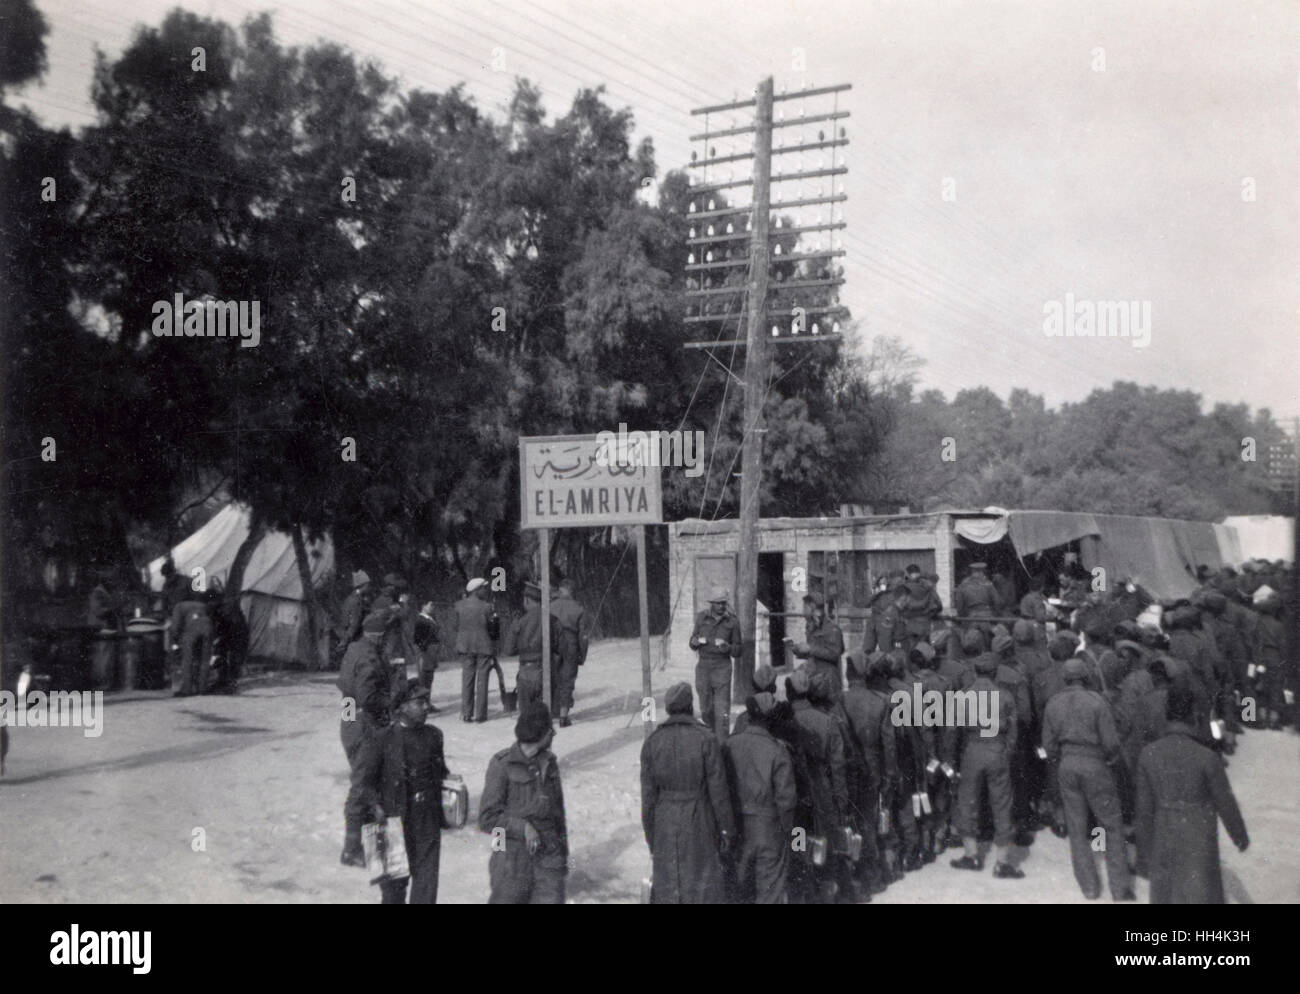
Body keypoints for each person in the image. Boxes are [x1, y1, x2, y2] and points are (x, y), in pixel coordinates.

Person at [1135, 684, 1249, 904]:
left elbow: (1144, 811)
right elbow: (1225, 801)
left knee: (1167, 892)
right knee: (1201, 891)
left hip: (1163, 830)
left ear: (1167, 713)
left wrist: (1143, 856)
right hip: (1199, 832)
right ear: (1192, 716)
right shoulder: (1206, 757)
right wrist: (1239, 835)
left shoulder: (1148, 754)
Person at [1042, 658, 1133, 901]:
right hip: (1095, 764)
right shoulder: (1097, 702)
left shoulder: (1053, 703)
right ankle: (1120, 888)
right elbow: (1111, 743)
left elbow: (1048, 746)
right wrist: (1110, 761)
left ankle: (1089, 888)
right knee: (1111, 825)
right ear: (1085, 677)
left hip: (1067, 765)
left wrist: (1062, 758)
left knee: (1077, 827)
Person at [640, 682, 736, 903]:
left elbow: (648, 798)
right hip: (699, 820)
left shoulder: (653, 742)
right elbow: (719, 791)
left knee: (670, 887)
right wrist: (726, 829)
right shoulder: (706, 738)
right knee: (701, 886)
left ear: (668, 708)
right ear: (690, 706)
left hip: (665, 822)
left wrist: (652, 835)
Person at [361, 679, 448, 903]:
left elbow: (440, 772)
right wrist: (375, 808)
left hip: (426, 821)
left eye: (427, 701)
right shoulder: (383, 739)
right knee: (393, 891)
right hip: (393, 822)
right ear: (402, 706)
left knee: (427, 888)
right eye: (420, 702)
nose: (426, 707)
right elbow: (365, 782)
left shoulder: (434, 736)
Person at [479, 702, 568, 904]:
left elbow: (558, 816)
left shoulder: (550, 764)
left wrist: (563, 860)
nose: (553, 734)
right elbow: (487, 818)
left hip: (549, 857)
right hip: (511, 857)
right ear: (540, 733)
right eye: (550, 730)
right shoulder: (502, 764)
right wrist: (523, 827)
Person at [950, 650, 1022, 878]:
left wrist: (953, 759)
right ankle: (1002, 862)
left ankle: (971, 855)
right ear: (994, 672)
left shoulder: (963, 695)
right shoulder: (1006, 695)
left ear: (975, 671)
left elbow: (952, 732)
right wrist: (1007, 753)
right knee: (1002, 803)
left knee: (967, 802)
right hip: (997, 749)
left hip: (972, 750)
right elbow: (1013, 732)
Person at [723, 692, 798, 903]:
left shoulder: (730, 744)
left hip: (737, 827)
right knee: (770, 891)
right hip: (769, 829)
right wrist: (789, 833)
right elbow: (786, 801)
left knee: (737, 889)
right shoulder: (778, 751)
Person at [337, 611, 393, 867]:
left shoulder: (353, 649)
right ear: (378, 635)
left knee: (369, 783)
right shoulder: (369, 656)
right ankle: (351, 849)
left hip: (349, 719)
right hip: (364, 725)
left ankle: (374, 844)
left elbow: (345, 686)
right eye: (384, 636)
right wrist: (393, 701)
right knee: (362, 785)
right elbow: (368, 697)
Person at [689, 587, 742, 741]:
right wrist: (693, 642)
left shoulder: (732, 621)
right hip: (703, 667)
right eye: (718, 603)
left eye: (724, 603)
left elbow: (739, 649)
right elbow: (693, 642)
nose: (721, 606)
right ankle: (711, 738)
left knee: (722, 711)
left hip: (722, 667)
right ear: (711, 603)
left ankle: (723, 745)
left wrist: (729, 648)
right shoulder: (701, 618)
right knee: (705, 709)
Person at [503, 582, 560, 712]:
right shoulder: (552, 619)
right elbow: (559, 646)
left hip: (526, 673)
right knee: (544, 716)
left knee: (526, 718)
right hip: (546, 672)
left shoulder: (520, 621)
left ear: (527, 600)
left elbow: (508, 650)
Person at [789, 592, 845, 701]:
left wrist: (810, 648)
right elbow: (814, 654)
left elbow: (834, 654)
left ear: (813, 607)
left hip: (829, 680)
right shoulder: (811, 627)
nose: (803, 611)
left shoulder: (832, 629)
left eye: (805, 607)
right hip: (814, 677)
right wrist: (799, 650)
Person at [454, 578, 496, 722]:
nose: (486, 590)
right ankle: (480, 714)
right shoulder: (486, 607)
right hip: (483, 646)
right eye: (484, 588)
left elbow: (456, 626)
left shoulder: (458, 605)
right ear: (477, 590)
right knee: (482, 680)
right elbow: (493, 629)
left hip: (464, 646)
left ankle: (466, 713)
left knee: (467, 679)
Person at [550, 579, 590, 727]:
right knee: (567, 681)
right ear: (572, 591)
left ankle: (551, 710)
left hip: (553, 645)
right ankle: (563, 716)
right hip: (571, 645)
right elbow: (583, 636)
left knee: (552, 677)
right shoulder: (579, 609)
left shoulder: (550, 607)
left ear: (561, 590)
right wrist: (582, 655)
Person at [169, 594, 212, 697]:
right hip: (208, 628)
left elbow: (175, 626)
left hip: (192, 630)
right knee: (204, 659)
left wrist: (174, 640)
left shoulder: (179, 606)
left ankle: (186, 690)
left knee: (187, 659)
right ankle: (203, 688)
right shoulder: (202, 605)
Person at [898, 564, 943, 652]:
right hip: (924, 624)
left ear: (908, 574)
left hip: (908, 624)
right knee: (924, 650)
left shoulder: (903, 588)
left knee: (909, 650)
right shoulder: (928, 587)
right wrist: (929, 614)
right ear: (919, 573)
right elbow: (938, 606)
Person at [953, 561, 1003, 629]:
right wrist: (996, 615)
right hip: (987, 617)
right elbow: (997, 601)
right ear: (982, 571)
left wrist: (963, 617)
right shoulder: (988, 584)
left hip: (970, 618)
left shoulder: (963, 585)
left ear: (972, 571)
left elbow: (959, 605)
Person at [412, 599, 441, 707]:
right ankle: (421, 705)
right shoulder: (421, 620)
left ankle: (427, 703)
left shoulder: (430, 619)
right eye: (430, 605)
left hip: (431, 653)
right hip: (425, 653)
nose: (433, 607)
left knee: (429, 679)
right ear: (423, 606)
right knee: (424, 679)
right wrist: (424, 652)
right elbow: (418, 639)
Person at [336, 570, 372, 655]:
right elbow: (354, 623)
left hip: (347, 633)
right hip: (351, 636)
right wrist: (345, 640)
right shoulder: (356, 601)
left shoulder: (353, 597)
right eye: (368, 585)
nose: (369, 587)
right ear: (363, 585)